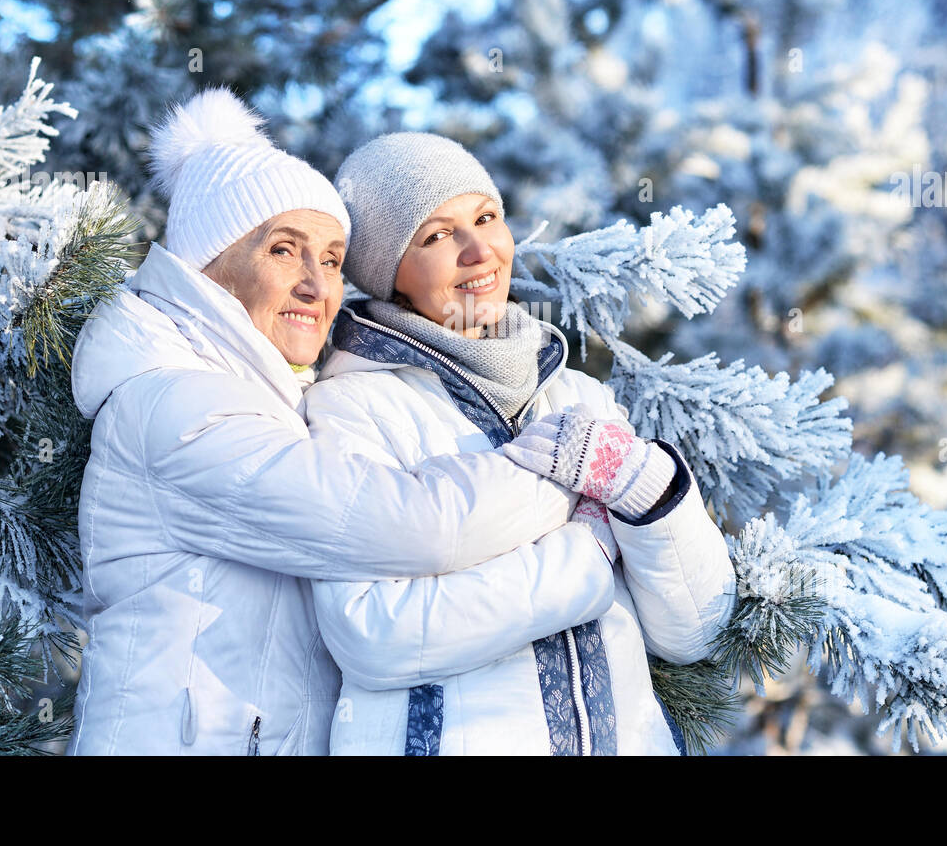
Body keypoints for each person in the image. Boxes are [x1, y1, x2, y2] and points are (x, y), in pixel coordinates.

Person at [65, 92, 598, 755]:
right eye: (285, 251)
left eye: (333, 258)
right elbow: (408, 524)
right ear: (209, 266)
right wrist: (579, 475)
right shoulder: (174, 409)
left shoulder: (276, 399)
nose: (319, 286)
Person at [301, 132, 739, 755]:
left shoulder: (581, 397)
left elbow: (695, 632)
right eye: (436, 235)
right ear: (386, 273)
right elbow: (375, 634)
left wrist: (643, 489)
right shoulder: (353, 409)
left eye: (486, 218)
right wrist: (587, 551)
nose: (479, 251)